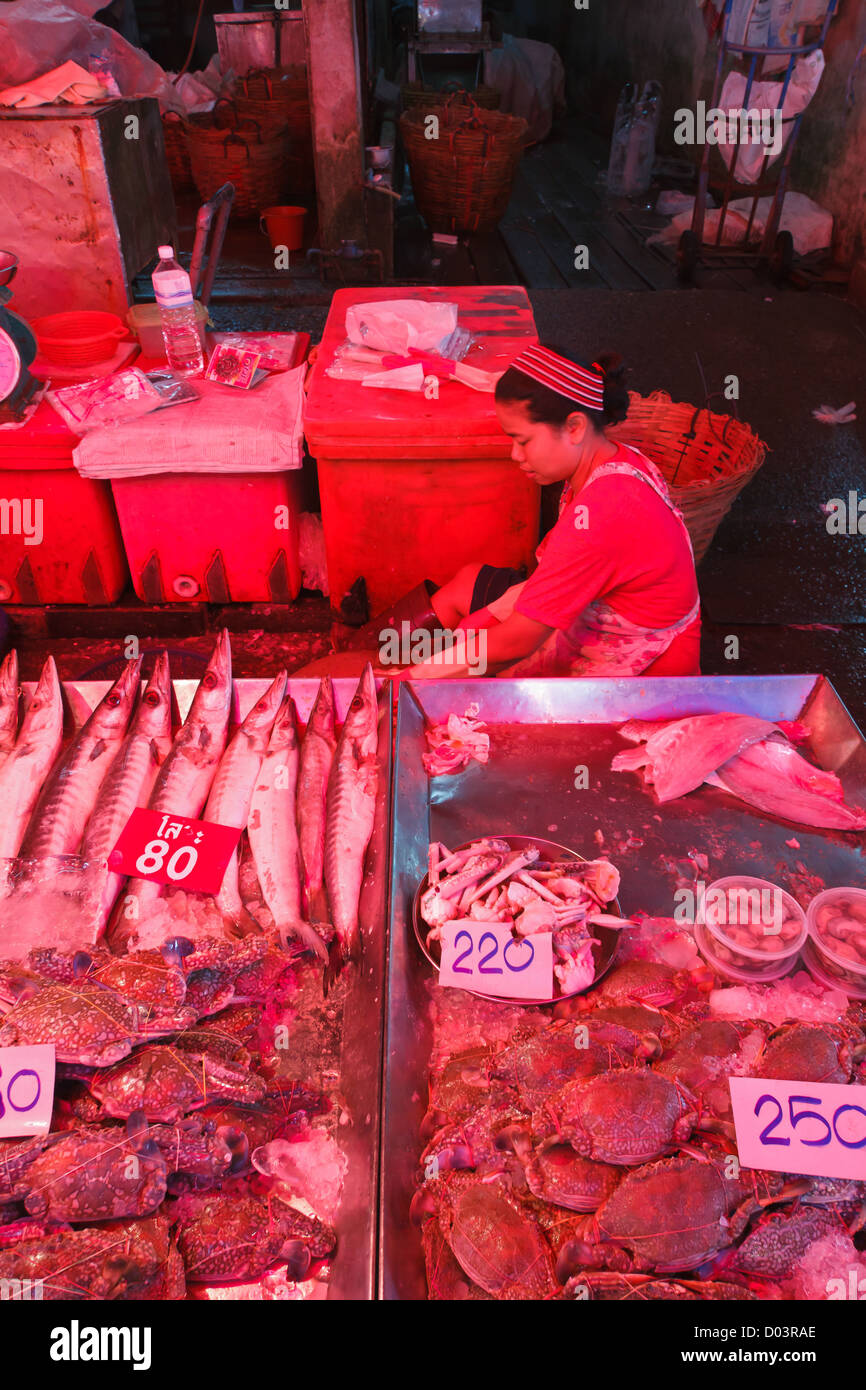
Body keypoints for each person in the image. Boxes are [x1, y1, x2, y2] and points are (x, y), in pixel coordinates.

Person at [402, 343, 701, 680]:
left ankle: (394, 672)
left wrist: (410, 681)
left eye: (523, 440)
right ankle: (384, 653)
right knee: (470, 586)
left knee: (478, 681)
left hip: (647, 673)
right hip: (596, 613)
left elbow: (515, 643)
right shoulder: (613, 459)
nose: (515, 454)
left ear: (574, 427)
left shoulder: (605, 510)